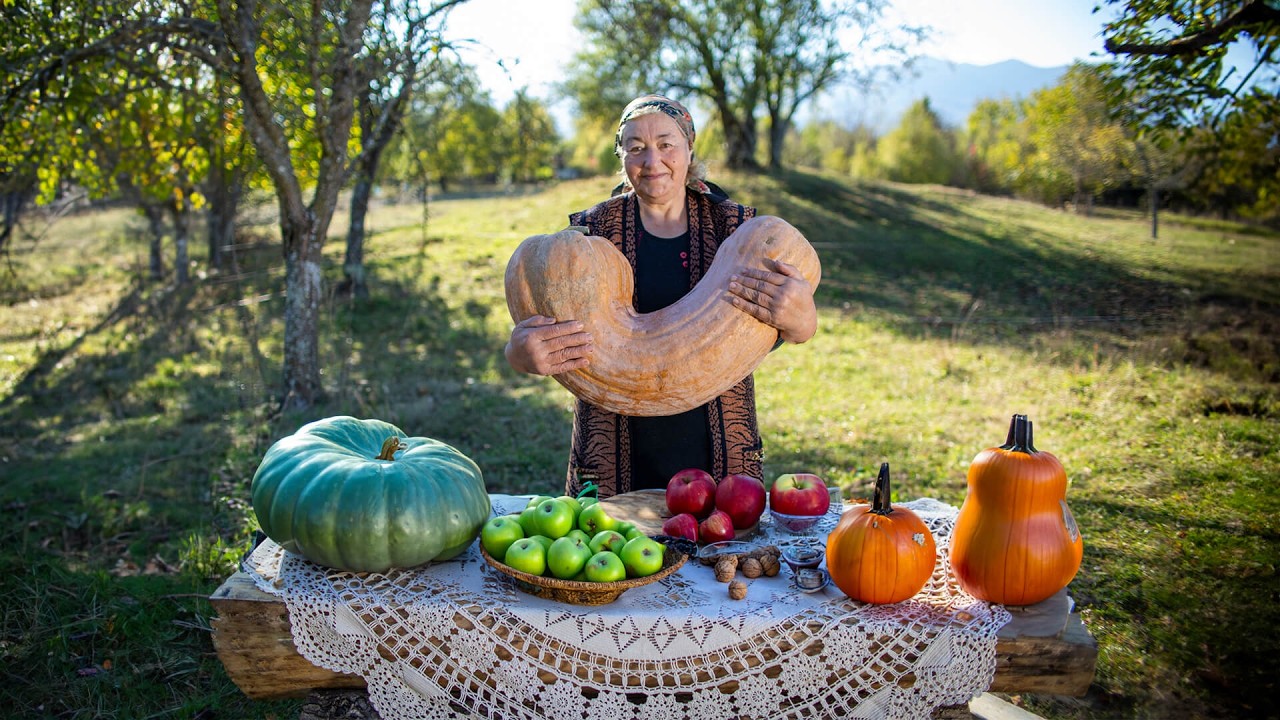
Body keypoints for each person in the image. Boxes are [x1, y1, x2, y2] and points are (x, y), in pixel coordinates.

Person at [504, 94, 817, 499]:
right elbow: (540, 334)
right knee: (612, 556)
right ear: (622, 156)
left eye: (666, 144)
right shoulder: (586, 236)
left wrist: (803, 322)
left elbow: (782, 329)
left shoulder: (738, 229)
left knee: (716, 558)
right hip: (612, 454)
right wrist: (519, 354)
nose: (652, 162)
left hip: (718, 452)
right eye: (636, 147)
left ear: (689, 148)